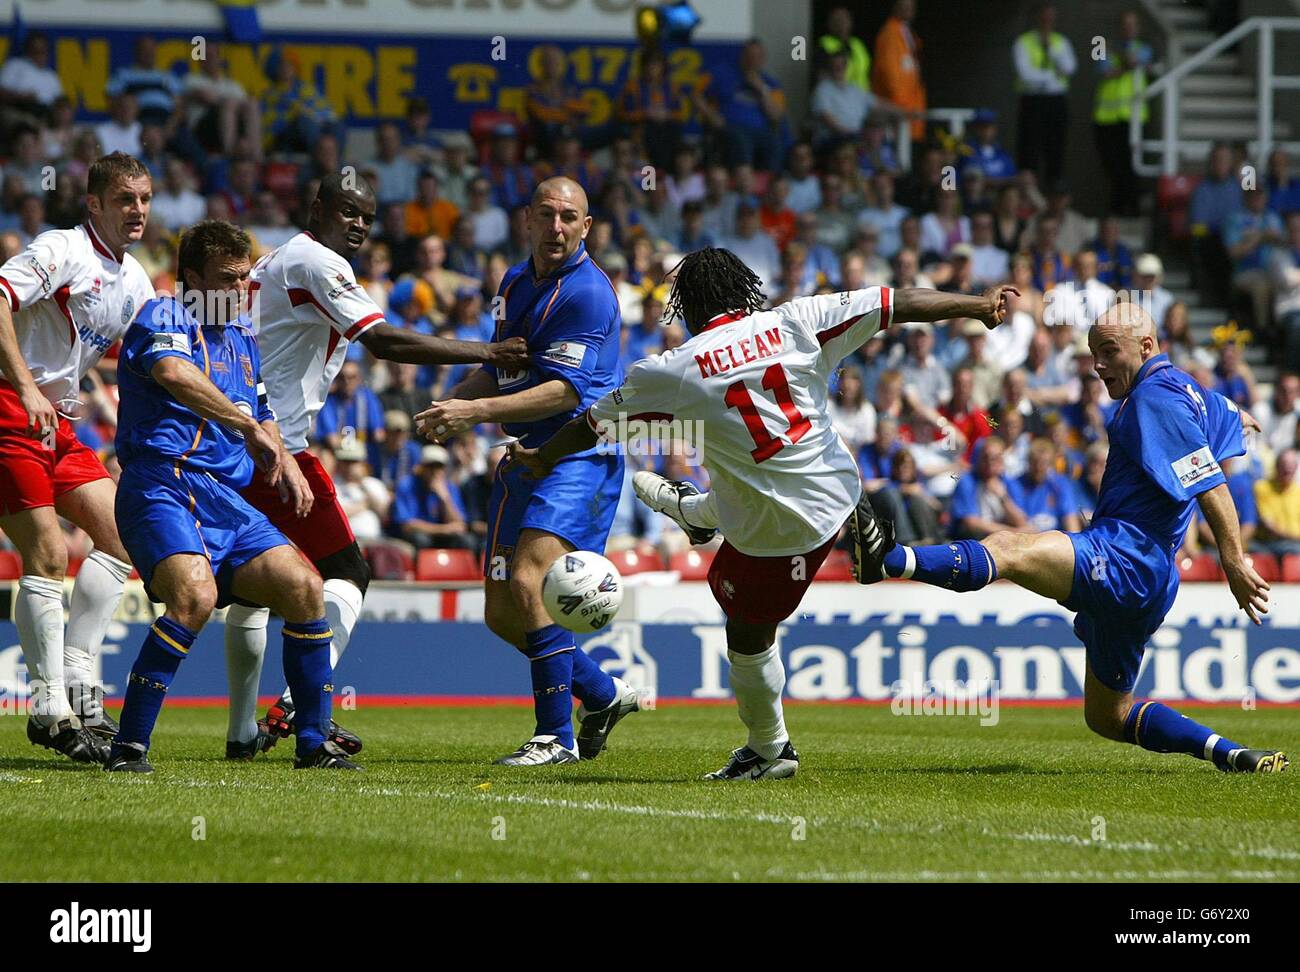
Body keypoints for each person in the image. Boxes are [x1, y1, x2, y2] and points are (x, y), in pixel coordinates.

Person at [508, 246, 1015, 779]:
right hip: (835, 491)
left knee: (747, 636)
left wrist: (541, 458)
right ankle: (718, 511)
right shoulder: (796, 318)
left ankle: (770, 751)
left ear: (689, 306)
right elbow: (900, 301)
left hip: (775, 531)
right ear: (743, 289)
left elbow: (590, 424)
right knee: (744, 472)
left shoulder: (673, 368)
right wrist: (976, 304)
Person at [865, 302, 1287, 774]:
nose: (1099, 365)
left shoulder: (1155, 398)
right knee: (1108, 716)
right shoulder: (1194, 393)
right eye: (1093, 354)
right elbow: (1236, 418)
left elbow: (1209, 481)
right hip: (1152, 579)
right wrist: (1245, 420)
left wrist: (1232, 559)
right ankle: (1230, 754)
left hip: (1125, 558)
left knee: (1009, 548)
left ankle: (888, 560)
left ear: (1147, 346)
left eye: (1109, 351)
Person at [222, 172, 528, 758]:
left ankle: (243, 732)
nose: (359, 224)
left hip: (244, 436)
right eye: (347, 211)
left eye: (367, 215)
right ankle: (300, 703)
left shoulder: (279, 260)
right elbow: (386, 343)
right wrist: (487, 350)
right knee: (348, 570)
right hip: (277, 445)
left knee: (253, 588)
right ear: (318, 208)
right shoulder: (316, 262)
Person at [107, 219, 358, 773]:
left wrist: (284, 458)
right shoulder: (164, 315)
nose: (240, 288)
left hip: (224, 495)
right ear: (192, 278)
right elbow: (174, 374)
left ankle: (313, 743)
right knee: (193, 599)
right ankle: (129, 747)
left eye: (245, 277)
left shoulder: (243, 338)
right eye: (226, 278)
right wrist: (246, 429)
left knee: (305, 588)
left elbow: (264, 412)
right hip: (161, 485)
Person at [413, 176, 636, 767]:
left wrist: (476, 411)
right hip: (524, 458)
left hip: (577, 454)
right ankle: (604, 695)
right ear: (528, 221)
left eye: (570, 217)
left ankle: (553, 737)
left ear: (586, 227)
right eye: (547, 215)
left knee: (532, 578)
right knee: (501, 612)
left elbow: (566, 393)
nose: (557, 227)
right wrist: (453, 404)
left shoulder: (589, 293)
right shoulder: (513, 281)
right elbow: (505, 366)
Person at [0, 153, 155, 764]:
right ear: (94, 204)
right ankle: (47, 707)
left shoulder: (137, 281)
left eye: (143, 198)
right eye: (124, 199)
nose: (137, 209)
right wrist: (26, 384)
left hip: (58, 425)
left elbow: (154, 369)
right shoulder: (62, 249)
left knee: (123, 537)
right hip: (10, 406)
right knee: (46, 552)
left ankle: (80, 683)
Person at [1093, 11, 1152, 217]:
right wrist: (1122, 62)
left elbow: (1135, 63)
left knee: (1130, 165)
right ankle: (1119, 204)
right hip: (1105, 117)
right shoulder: (1100, 43)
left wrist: (1116, 54)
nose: (1128, 29)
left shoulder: (1144, 48)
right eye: (1125, 25)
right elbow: (1102, 69)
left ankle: (1128, 206)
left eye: (1132, 24)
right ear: (1118, 28)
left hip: (1133, 118)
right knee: (1111, 164)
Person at [1013, 3, 1076, 188]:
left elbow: (1069, 68)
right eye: (1044, 16)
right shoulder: (1023, 42)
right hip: (1032, 100)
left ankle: (1053, 191)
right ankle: (1027, 193)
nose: (1048, 20)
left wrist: (1052, 53)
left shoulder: (1060, 41)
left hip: (1056, 101)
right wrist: (1051, 77)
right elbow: (1025, 74)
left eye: (1051, 16)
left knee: (1055, 148)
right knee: (1029, 148)